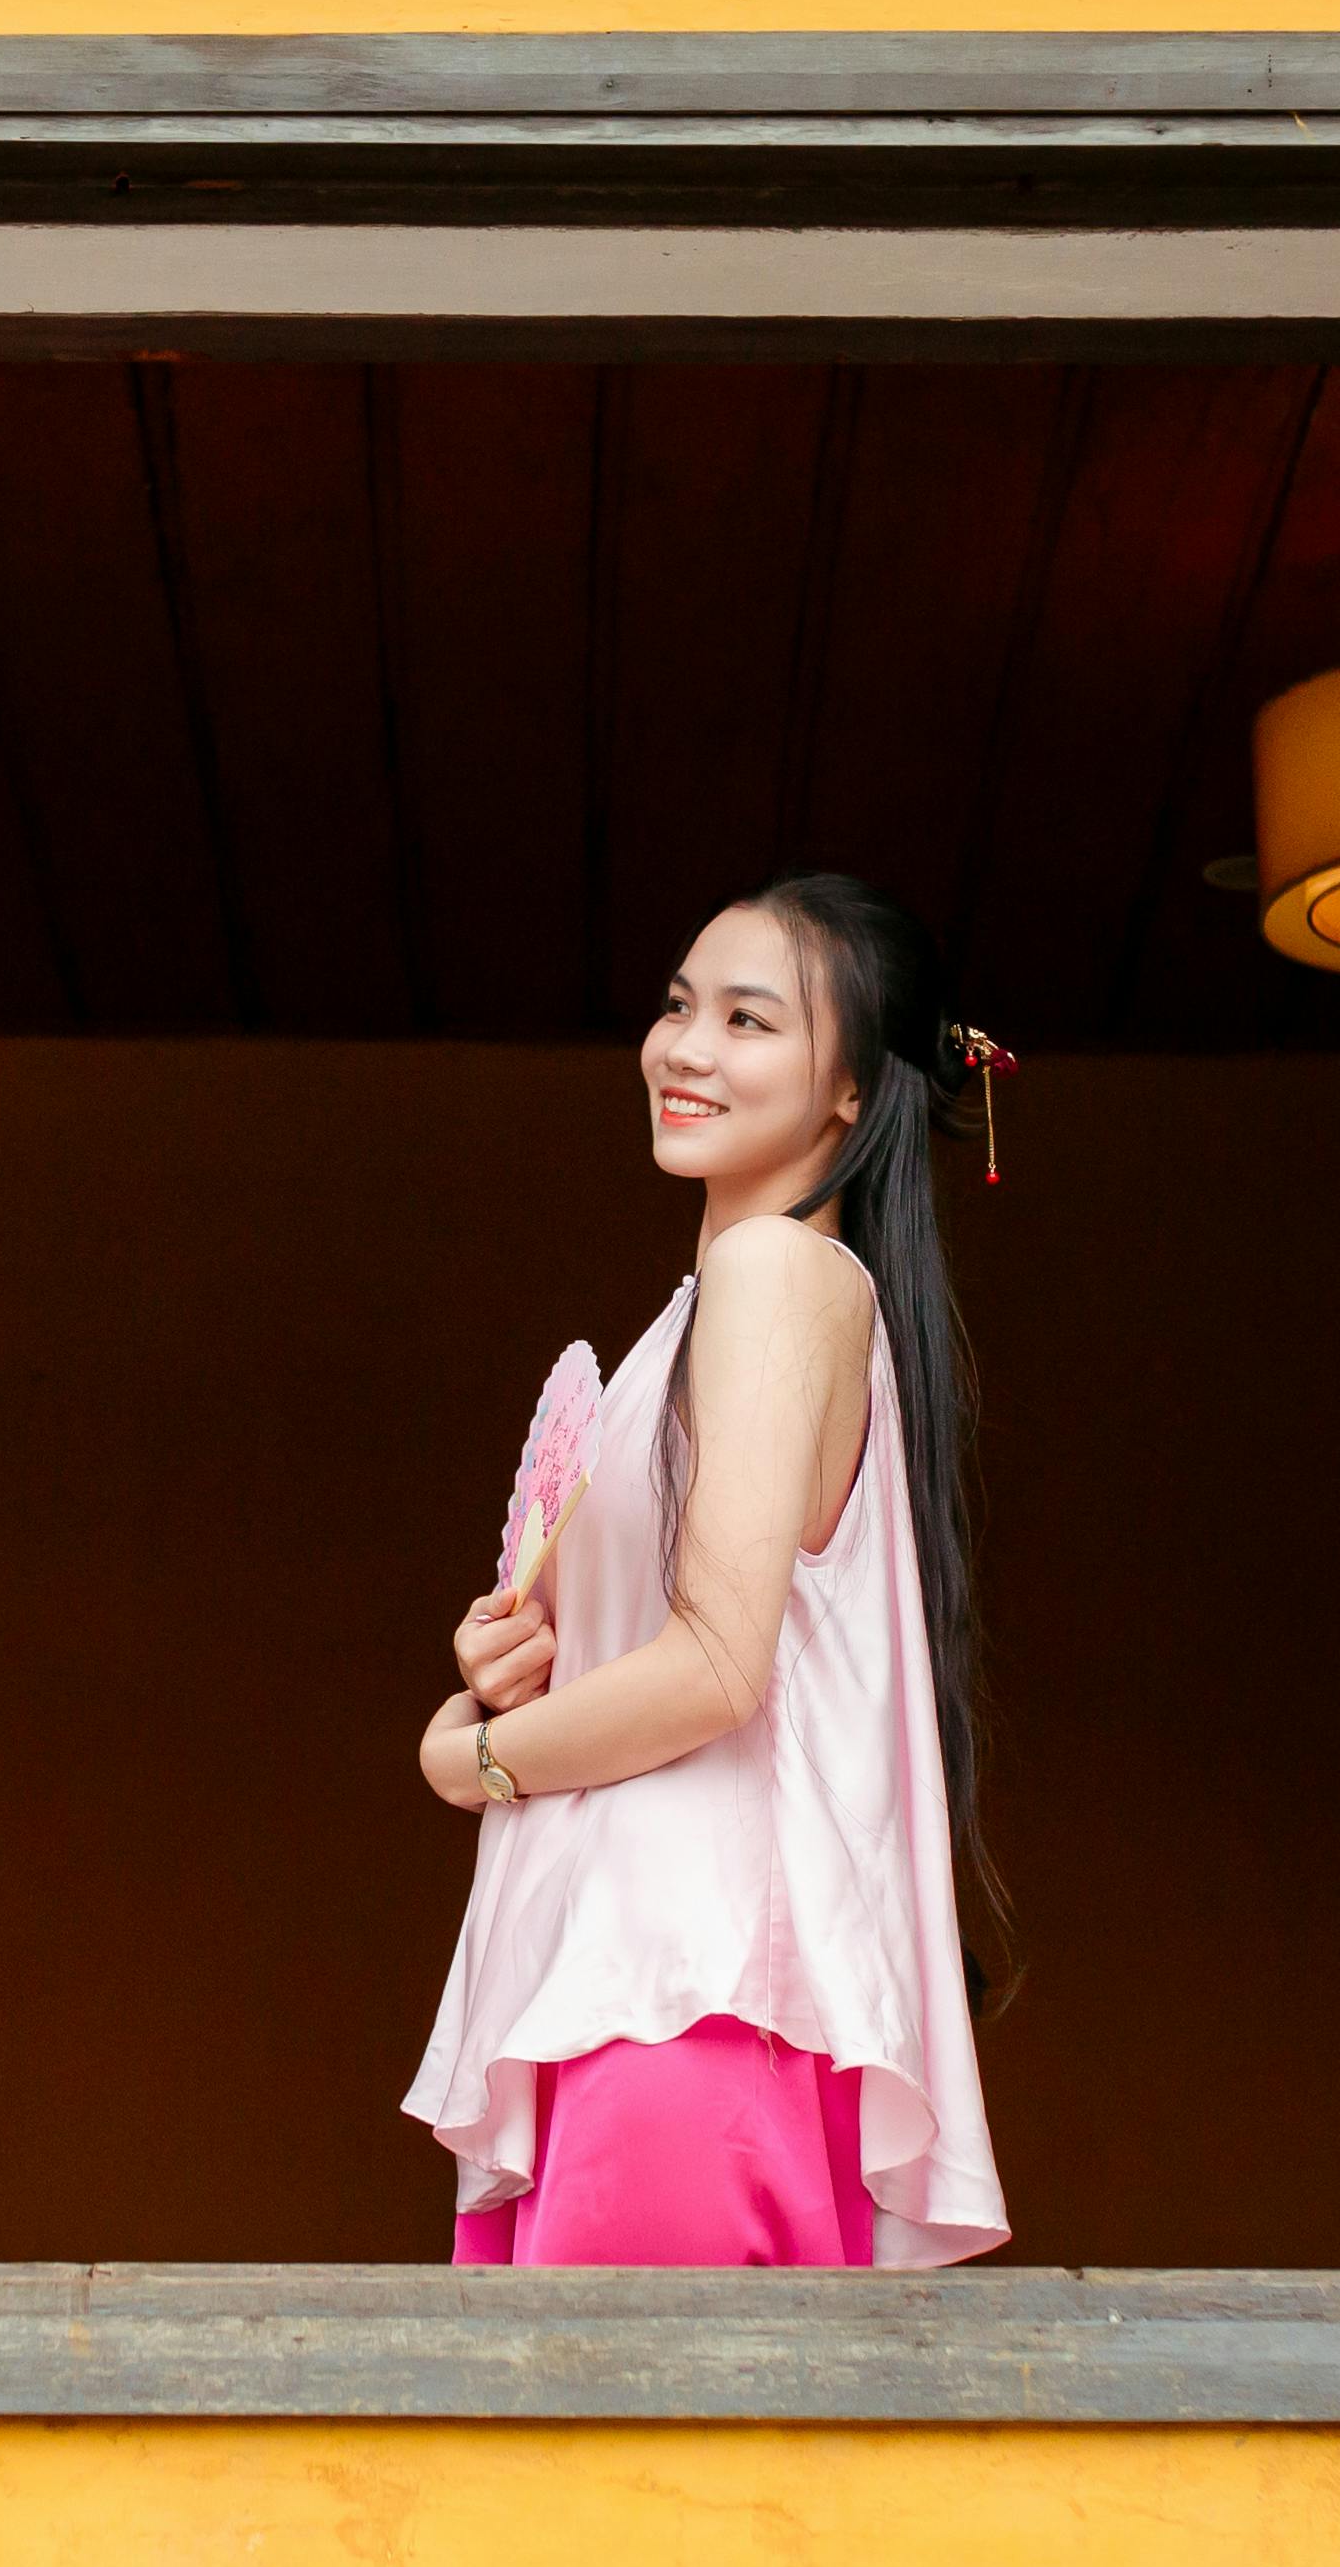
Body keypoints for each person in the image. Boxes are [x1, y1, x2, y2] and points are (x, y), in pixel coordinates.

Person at [404, 872, 1012, 2268]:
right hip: (655, 1988)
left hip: (677, 1997)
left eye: (748, 1021)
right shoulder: (728, 1302)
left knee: (602, 2472)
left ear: (851, 1090)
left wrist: (473, 1765)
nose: (683, 1050)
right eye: (679, 1006)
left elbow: (716, 1666)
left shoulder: (773, 1277)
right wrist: (499, 1693)